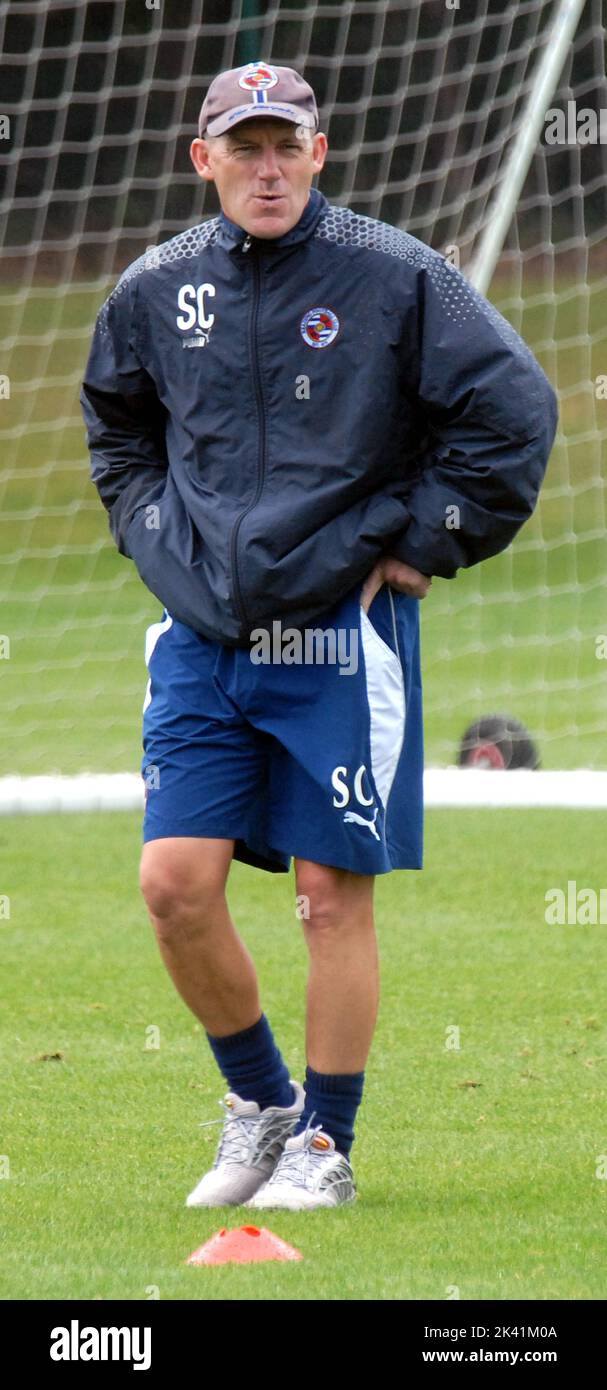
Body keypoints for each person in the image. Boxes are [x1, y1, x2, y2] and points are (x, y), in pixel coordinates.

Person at [80, 62, 558, 1211]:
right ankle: (260, 1106)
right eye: (242, 147)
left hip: (342, 635)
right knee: (172, 884)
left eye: (284, 143)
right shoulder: (155, 287)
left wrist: (423, 535)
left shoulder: (397, 275)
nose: (266, 166)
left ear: (319, 150)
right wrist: (163, 547)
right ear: (203, 160)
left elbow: (514, 411)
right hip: (203, 637)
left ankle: (326, 1149)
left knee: (328, 895)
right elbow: (118, 429)